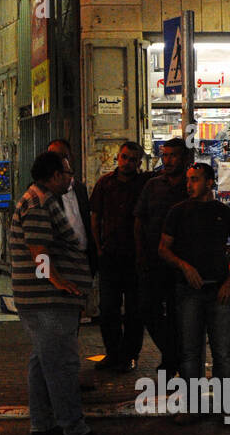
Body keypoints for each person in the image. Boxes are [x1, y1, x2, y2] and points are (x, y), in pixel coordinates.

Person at [9, 151, 105, 435]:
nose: (70, 176)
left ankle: (42, 421)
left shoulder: (43, 199)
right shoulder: (38, 203)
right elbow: (39, 251)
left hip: (46, 299)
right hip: (47, 300)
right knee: (62, 364)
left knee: (43, 360)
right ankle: (73, 426)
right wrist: (60, 282)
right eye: (66, 172)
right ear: (53, 176)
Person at [159, 162, 230, 424]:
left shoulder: (224, 213)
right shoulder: (177, 213)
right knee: (190, 352)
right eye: (188, 179)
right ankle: (192, 406)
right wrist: (184, 266)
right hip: (189, 291)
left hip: (218, 290)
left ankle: (227, 406)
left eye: (195, 179)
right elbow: (163, 248)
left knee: (222, 352)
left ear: (209, 182)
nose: (189, 184)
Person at [90, 141, 148, 371]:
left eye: (132, 159)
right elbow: (95, 216)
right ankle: (113, 353)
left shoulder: (145, 184)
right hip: (111, 256)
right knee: (109, 309)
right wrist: (99, 247)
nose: (127, 162)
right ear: (118, 157)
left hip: (135, 258)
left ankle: (130, 355)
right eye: (124, 157)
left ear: (138, 162)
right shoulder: (105, 184)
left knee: (135, 311)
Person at [134, 137, 189, 376]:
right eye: (164, 155)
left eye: (173, 155)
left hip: (182, 263)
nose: (167, 160)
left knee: (179, 315)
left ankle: (171, 361)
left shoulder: (190, 186)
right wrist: (140, 252)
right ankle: (172, 354)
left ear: (184, 158)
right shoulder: (153, 185)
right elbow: (139, 219)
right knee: (148, 309)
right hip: (154, 260)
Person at [48, 138, 98, 276]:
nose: (59, 162)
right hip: (59, 269)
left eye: (63, 157)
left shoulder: (80, 189)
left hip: (81, 265)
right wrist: (48, 277)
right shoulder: (42, 197)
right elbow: (38, 248)